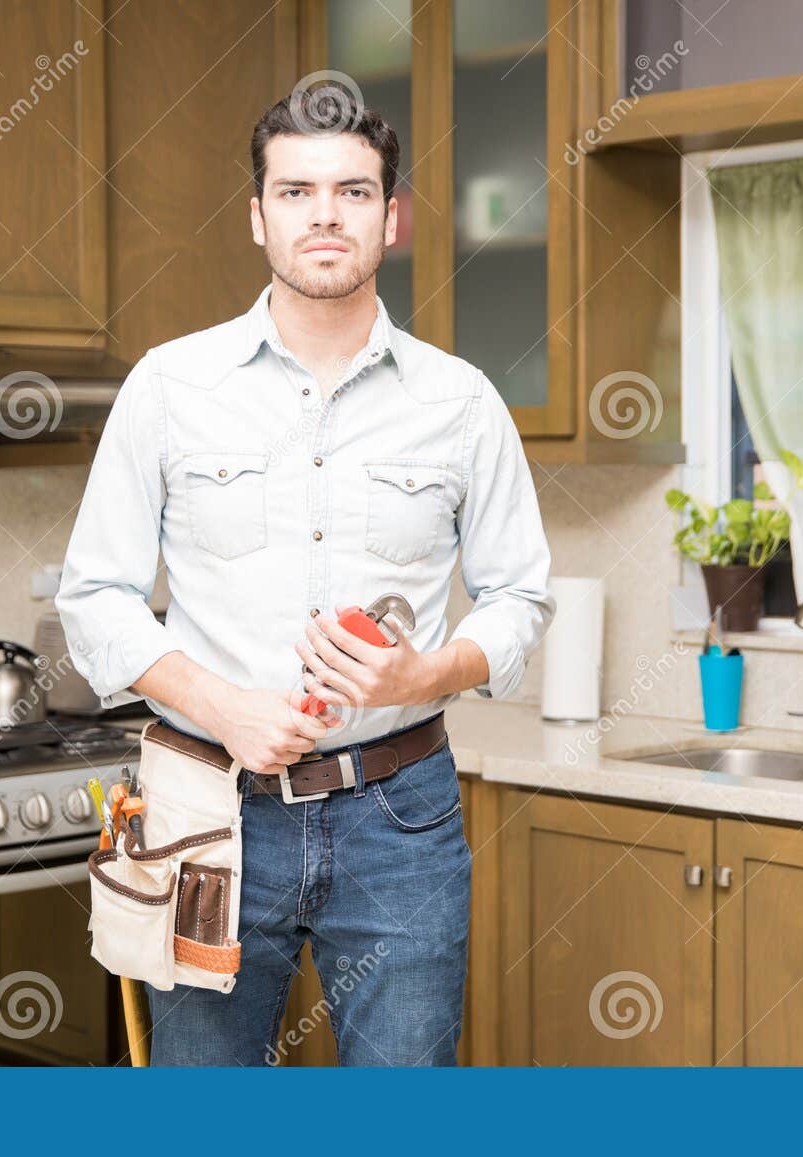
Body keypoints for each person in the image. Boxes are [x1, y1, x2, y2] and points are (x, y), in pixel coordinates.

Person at [55, 89, 554, 1066]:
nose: (325, 213)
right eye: (296, 190)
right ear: (259, 216)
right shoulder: (169, 386)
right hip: (209, 810)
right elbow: (94, 594)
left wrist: (425, 673)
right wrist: (225, 705)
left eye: (352, 190)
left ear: (390, 216)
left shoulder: (460, 401)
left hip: (400, 816)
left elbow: (521, 597)